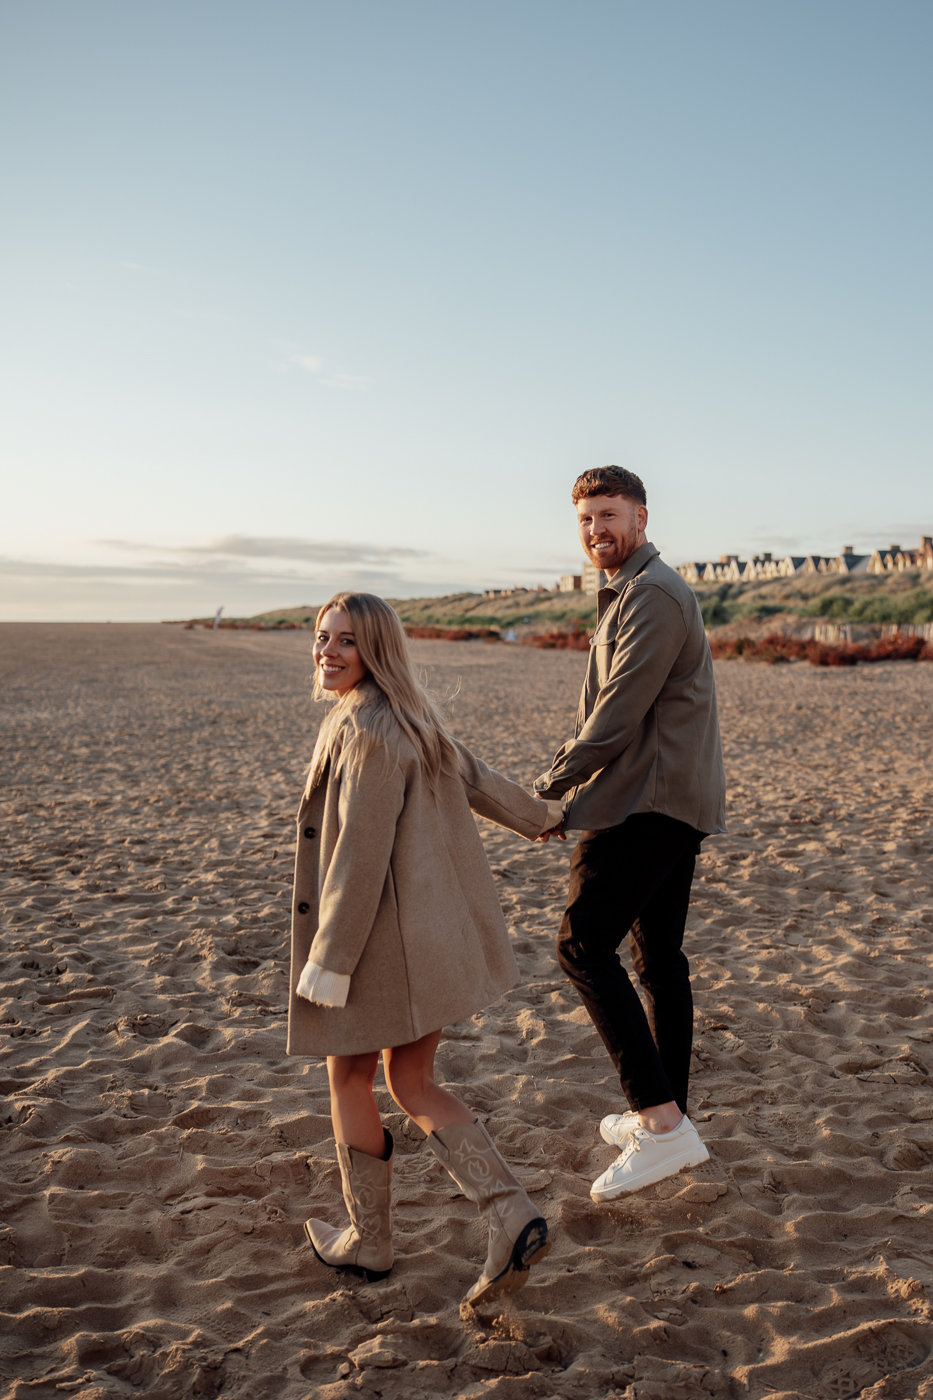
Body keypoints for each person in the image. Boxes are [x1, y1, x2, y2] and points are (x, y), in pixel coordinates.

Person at [287, 591, 563, 1307]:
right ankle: (509, 1212)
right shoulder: (410, 717)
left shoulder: (366, 730)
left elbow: (357, 858)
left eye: (345, 641)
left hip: (377, 947)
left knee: (349, 1079)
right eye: (322, 638)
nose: (327, 651)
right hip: (429, 944)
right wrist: (542, 820)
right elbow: (478, 779)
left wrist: (330, 962)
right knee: (411, 1083)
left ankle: (368, 1242)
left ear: (374, 651)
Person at [534, 466, 726, 1202]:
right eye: (585, 520)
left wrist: (551, 791)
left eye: (608, 516)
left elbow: (616, 713)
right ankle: (669, 1120)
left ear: (640, 518)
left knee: (581, 945)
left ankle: (661, 1123)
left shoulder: (652, 595)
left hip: (646, 800)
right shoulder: (629, 594)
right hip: (668, 796)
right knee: (657, 959)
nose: (595, 531)